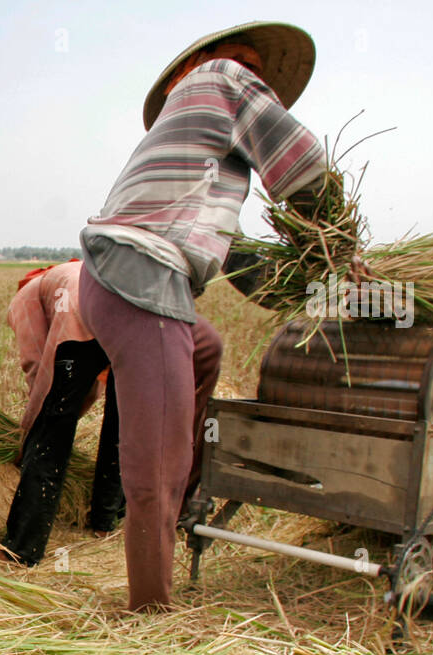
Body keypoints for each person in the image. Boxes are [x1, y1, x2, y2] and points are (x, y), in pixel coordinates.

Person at [78, 21, 331, 610]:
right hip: (142, 280)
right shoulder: (221, 78)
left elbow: (239, 259)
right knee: (155, 470)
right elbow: (302, 162)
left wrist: (310, 287)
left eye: (256, 66)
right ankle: (151, 612)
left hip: (115, 278)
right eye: (243, 60)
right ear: (205, 62)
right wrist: (335, 234)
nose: (252, 72)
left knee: (205, 349)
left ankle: (186, 488)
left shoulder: (200, 160)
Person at [0, 260, 223, 566]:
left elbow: (40, 369)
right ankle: (104, 522)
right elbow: (88, 386)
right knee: (122, 422)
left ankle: (20, 549)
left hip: (86, 313)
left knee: (51, 433)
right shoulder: (87, 271)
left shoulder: (25, 299)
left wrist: (30, 432)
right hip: (135, 316)